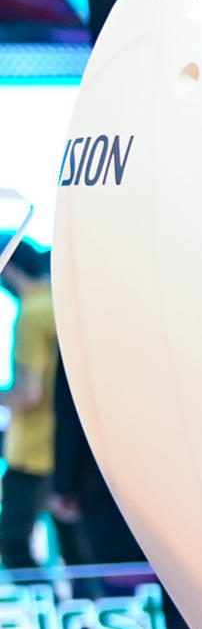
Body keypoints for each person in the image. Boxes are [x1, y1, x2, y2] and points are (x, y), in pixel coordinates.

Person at [0, 242, 73, 572]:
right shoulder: (58, 304)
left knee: (13, 541)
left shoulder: (31, 314)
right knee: (75, 546)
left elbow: (29, 394)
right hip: (66, 449)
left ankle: (48, 611)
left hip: (32, 452)